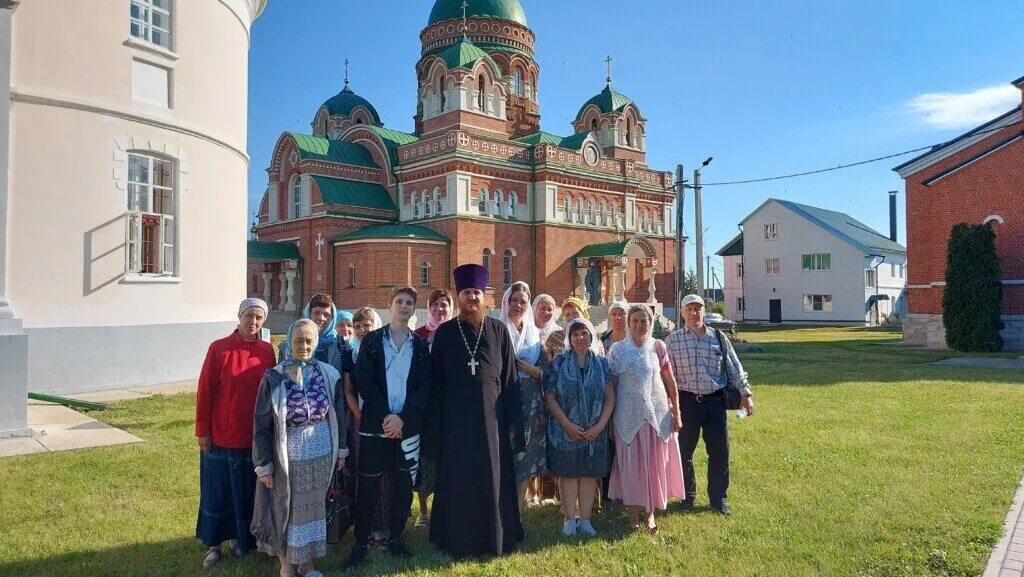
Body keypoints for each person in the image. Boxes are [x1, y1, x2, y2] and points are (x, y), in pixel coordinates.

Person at [423, 264, 525, 557]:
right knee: (457, 478)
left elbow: (510, 381)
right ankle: (456, 538)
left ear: (485, 297)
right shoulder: (444, 333)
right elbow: (436, 385)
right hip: (455, 425)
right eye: (466, 293)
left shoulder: (498, 330)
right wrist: (436, 429)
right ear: (460, 296)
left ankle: (496, 535)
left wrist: (513, 429)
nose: (472, 298)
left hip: (492, 424)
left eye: (477, 293)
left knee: (492, 478)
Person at [251, 319, 348, 577]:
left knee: (315, 507)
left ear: (315, 342)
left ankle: (307, 564)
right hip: (289, 456)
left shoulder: (329, 373)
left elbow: (338, 413)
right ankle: (286, 565)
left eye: (309, 340)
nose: (304, 346)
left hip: (321, 453)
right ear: (289, 343)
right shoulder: (273, 377)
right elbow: (261, 424)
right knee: (288, 510)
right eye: (298, 340)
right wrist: (264, 465)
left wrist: (341, 450)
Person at [346, 287, 432, 567]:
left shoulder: (419, 346)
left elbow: (423, 386)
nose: (404, 306)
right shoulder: (372, 341)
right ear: (390, 305)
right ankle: (361, 542)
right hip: (376, 425)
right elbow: (364, 381)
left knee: (404, 484)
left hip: (407, 428)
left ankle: (396, 538)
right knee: (369, 483)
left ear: (414, 309)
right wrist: (386, 416)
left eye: (409, 302)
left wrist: (403, 418)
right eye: (399, 302)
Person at [194, 298, 276, 568]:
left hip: (252, 437)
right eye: (248, 316)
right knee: (217, 492)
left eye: (258, 317)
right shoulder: (219, 349)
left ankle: (240, 539)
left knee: (244, 493)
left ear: (264, 320)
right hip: (220, 435)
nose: (252, 322)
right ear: (239, 317)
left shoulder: (267, 351)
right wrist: (203, 430)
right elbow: (205, 391)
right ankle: (213, 545)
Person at [664, 294, 753, 516]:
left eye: (698, 308)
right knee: (683, 452)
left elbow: (734, 367)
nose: (694, 313)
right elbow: (668, 376)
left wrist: (746, 394)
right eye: (689, 309)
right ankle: (687, 498)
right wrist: (669, 403)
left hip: (714, 403)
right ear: (682, 312)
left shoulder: (719, 338)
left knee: (719, 452)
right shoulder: (672, 341)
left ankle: (718, 499)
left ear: (704, 311)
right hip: (686, 402)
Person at [606, 305, 684, 533]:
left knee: (652, 465)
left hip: (656, 415)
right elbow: (611, 386)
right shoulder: (618, 350)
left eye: (644, 321)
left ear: (651, 323)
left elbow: (670, 382)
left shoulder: (658, 347)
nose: (639, 325)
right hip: (626, 416)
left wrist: (677, 412)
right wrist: (609, 418)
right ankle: (632, 515)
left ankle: (650, 514)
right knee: (630, 465)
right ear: (629, 324)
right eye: (635, 321)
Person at [544, 318, 614, 537]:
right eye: (575, 334)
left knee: (588, 475)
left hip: (594, 430)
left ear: (591, 336)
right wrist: (567, 425)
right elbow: (550, 396)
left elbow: (610, 397)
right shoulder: (559, 362)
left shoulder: (601, 363)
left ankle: (585, 519)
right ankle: (569, 520)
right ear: (569, 338)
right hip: (566, 430)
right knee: (569, 474)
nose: (580, 338)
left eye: (584, 333)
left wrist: (600, 426)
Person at [342, 307, 392, 545]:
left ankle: (382, 528)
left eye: (367, 325)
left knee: (382, 474)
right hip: (360, 419)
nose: (362, 330)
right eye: (358, 326)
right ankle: (363, 526)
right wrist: (358, 413)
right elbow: (348, 389)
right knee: (363, 472)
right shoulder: (350, 355)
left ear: (376, 326)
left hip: (383, 419)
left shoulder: (385, 353)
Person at [499, 281, 547, 507]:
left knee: (526, 454)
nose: (518, 305)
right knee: (504, 451)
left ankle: (517, 509)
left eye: (523, 302)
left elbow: (545, 370)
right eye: (514, 300)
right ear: (506, 302)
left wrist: (529, 369)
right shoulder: (495, 328)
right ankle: (501, 506)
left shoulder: (535, 334)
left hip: (531, 401)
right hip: (503, 398)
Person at [412, 289, 454, 528]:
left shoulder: (456, 333)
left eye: (444, 305)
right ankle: (424, 512)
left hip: (449, 405)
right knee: (424, 455)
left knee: (446, 456)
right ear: (429, 308)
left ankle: (445, 507)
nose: (440, 309)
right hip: (425, 406)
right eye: (435, 305)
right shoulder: (419, 335)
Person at [279, 294, 346, 375]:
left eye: (326, 315)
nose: (321, 318)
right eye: (316, 313)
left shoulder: (341, 344)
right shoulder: (288, 346)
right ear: (308, 314)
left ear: (333, 318)